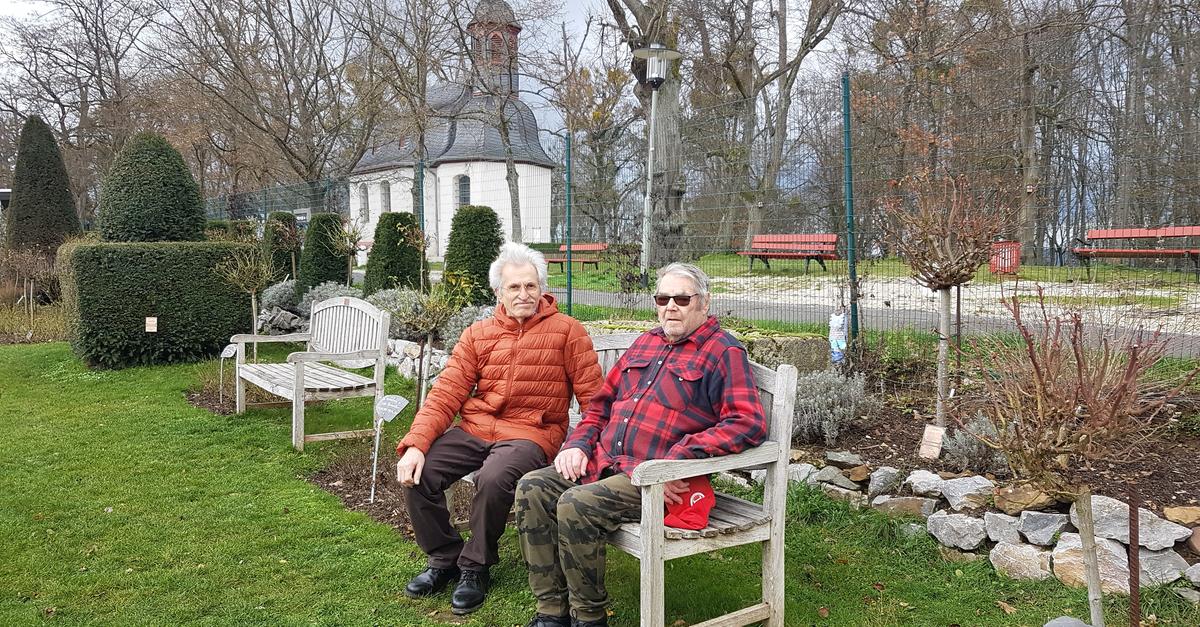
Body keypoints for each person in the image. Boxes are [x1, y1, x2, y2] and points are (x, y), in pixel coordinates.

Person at [513, 263, 768, 627]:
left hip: (654, 479)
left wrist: (679, 458)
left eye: (682, 298)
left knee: (575, 504)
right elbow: (600, 403)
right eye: (663, 298)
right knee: (532, 487)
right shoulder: (646, 342)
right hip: (606, 460)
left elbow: (747, 422)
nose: (671, 307)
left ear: (704, 303)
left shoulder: (723, 352)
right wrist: (579, 444)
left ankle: (588, 616)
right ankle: (552, 611)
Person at [395, 242, 603, 616]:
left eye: (531, 286)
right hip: (476, 428)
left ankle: (475, 568)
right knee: (419, 472)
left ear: (541, 287)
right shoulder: (478, 334)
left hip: (531, 433)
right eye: (514, 288)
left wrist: (589, 447)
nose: (524, 294)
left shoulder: (567, 331)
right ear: (498, 293)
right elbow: (446, 393)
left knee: (492, 479)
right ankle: (444, 558)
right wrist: (416, 444)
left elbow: (594, 398)